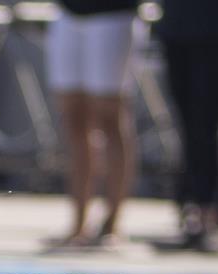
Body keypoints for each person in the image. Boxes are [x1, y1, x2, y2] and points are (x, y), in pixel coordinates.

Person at [45, 0, 143, 248]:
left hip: (112, 14)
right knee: (73, 117)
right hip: (69, 13)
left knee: (110, 115)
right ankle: (78, 223)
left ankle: (112, 222)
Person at [156, 0, 218, 253]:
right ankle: (188, 207)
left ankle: (207, 213)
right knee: (186, 128)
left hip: (213, 35)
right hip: (176, 32)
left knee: (205, 128)